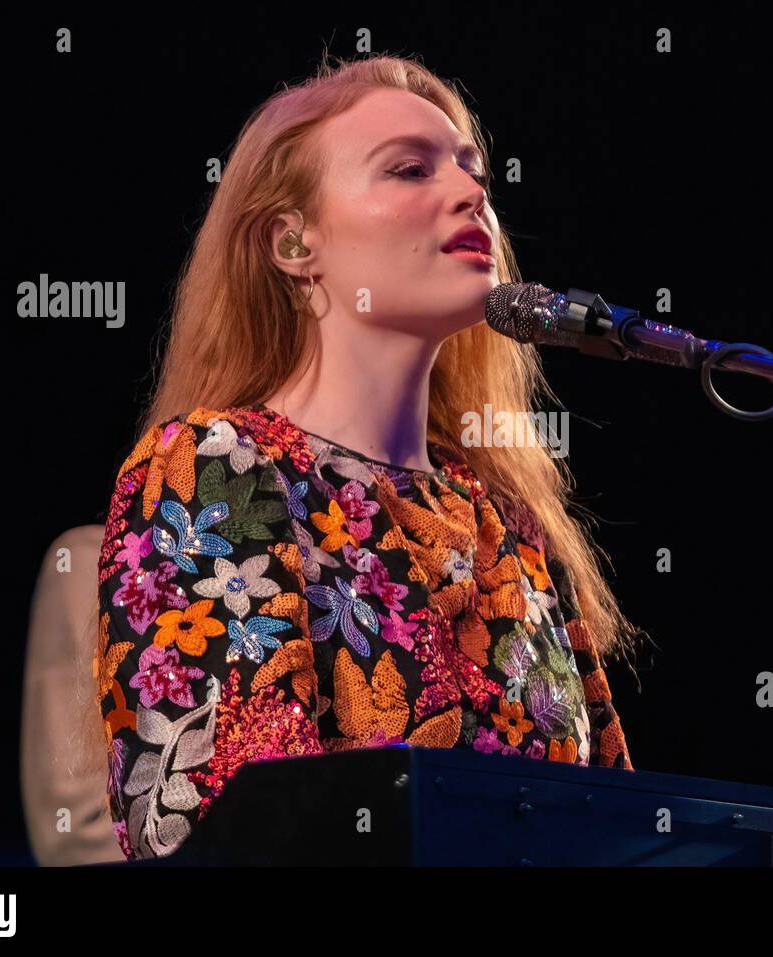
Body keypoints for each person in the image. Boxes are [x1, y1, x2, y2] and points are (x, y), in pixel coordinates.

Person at [95, 53, 641, 862]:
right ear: (292, 242)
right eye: (409, 170)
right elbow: (228, 831)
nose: (471, 193)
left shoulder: (507, 522)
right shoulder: (217, 465)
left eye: (471, 169)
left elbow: (618, 822)